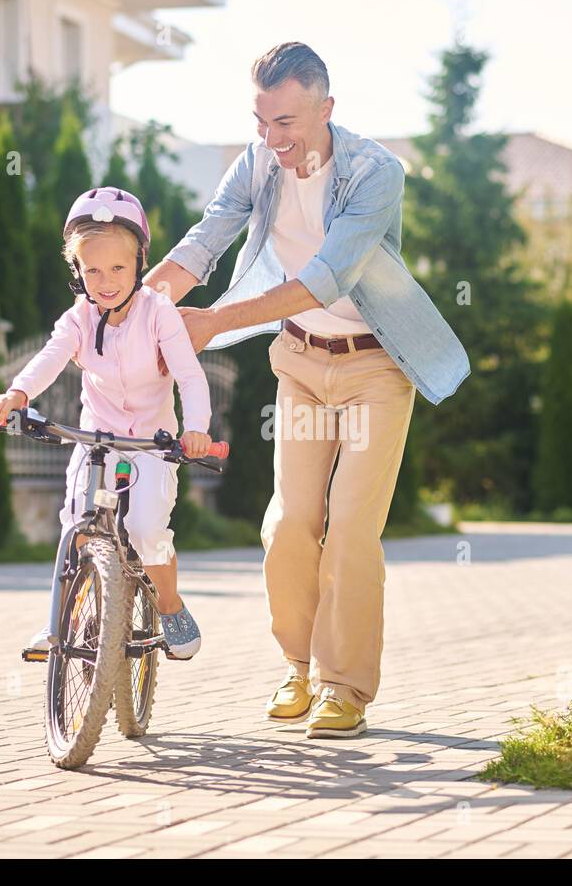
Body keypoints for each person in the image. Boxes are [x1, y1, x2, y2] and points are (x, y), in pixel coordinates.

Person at [142, 43, 471, 737]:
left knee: (351, 527)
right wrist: (136, 306)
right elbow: (208, 241)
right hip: (300, 361)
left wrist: (214, 323)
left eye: (286, 122)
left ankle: (345, 686)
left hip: (376, 367)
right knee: (291, 522)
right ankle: (298, 665)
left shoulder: (376, 173)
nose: (273, 139)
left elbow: (326, 279)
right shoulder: (259, 160)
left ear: (327, 109)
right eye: (262, 122)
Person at [0, 187, 213, 659]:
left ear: (140, 261)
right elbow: (50, 357)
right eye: (92, 270)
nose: (105, 281)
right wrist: (17, 394)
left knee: (146, 529)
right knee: (78, 527)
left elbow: (189, 374)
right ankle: (58, 625)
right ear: (78, 271)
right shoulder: (79, 317)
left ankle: (168, 604)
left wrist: (198, 428)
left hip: (154, 443)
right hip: (96, 440)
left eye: (118, 268)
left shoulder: (158, 312)